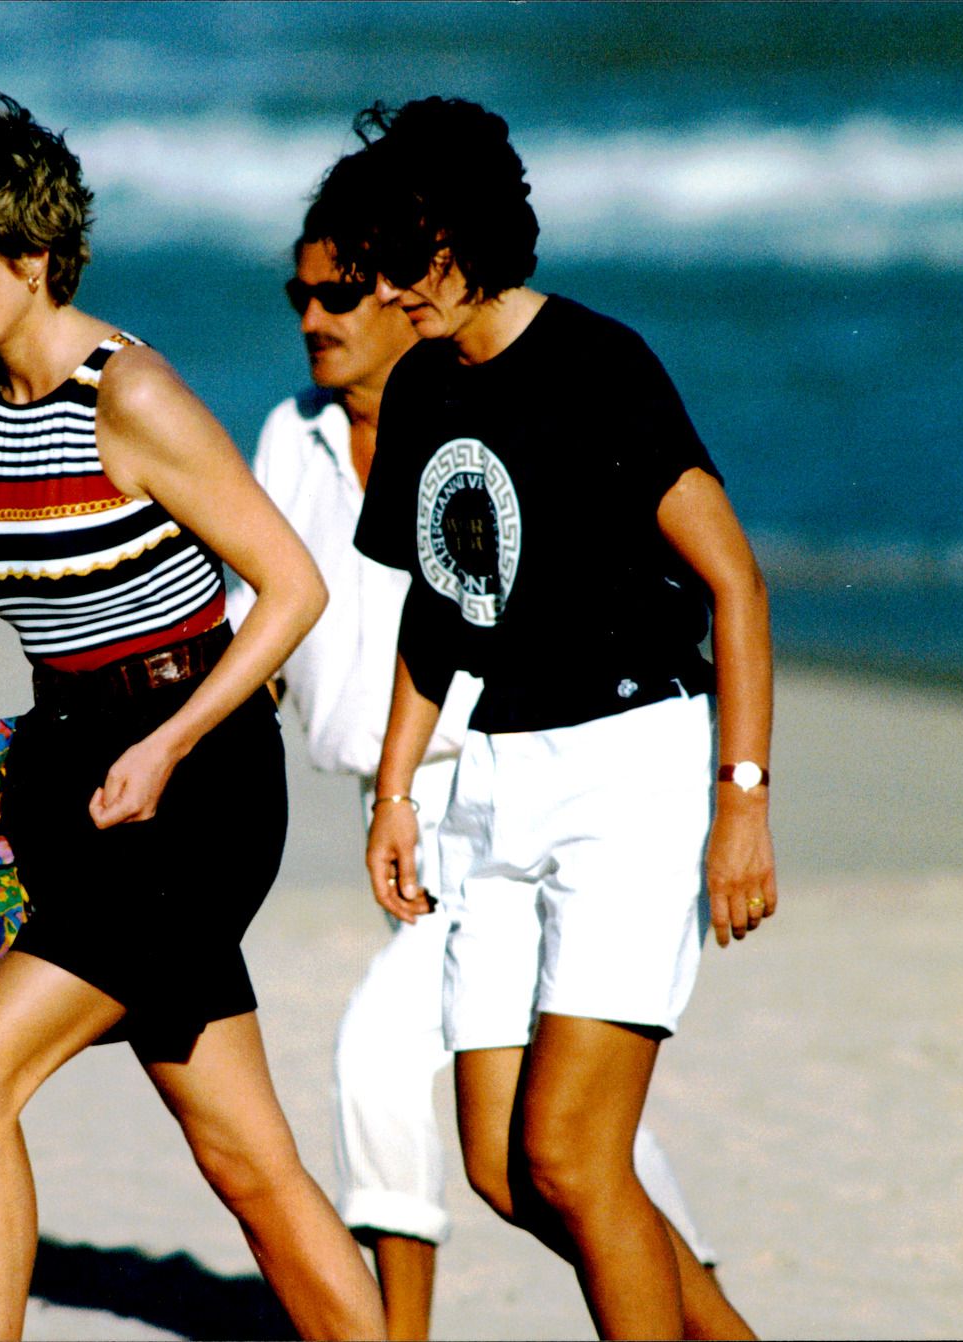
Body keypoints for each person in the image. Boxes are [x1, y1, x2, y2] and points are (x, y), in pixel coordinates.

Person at [0, 94, 386, 1342]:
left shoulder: (135, 397)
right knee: (245, 1160)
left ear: (30, 258)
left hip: (190, 787)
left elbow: (291, 587)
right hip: (67, 786)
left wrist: (165, 742)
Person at [319, 97, 775, 1339]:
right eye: (373, 268)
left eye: (402, 265)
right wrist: (397, 791)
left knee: (574, 1157)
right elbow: (434, 609)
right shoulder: (417, 389)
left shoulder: (598, 366)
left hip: (627, 765)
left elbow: (733, 580)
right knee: (504, 1169)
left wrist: (741, 801)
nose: (387, 293)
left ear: (463, 242)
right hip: (491, 780)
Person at [228, 213, 721, 1340]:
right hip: (437, 819)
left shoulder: (535, 394)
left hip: (553, 776)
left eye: (345, 291)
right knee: (537, 1163)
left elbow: (709, 579)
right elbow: (303, 627)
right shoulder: (295, 436)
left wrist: (740, 794)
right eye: (298, 295)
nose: (317, 317)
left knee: (492, 1118)